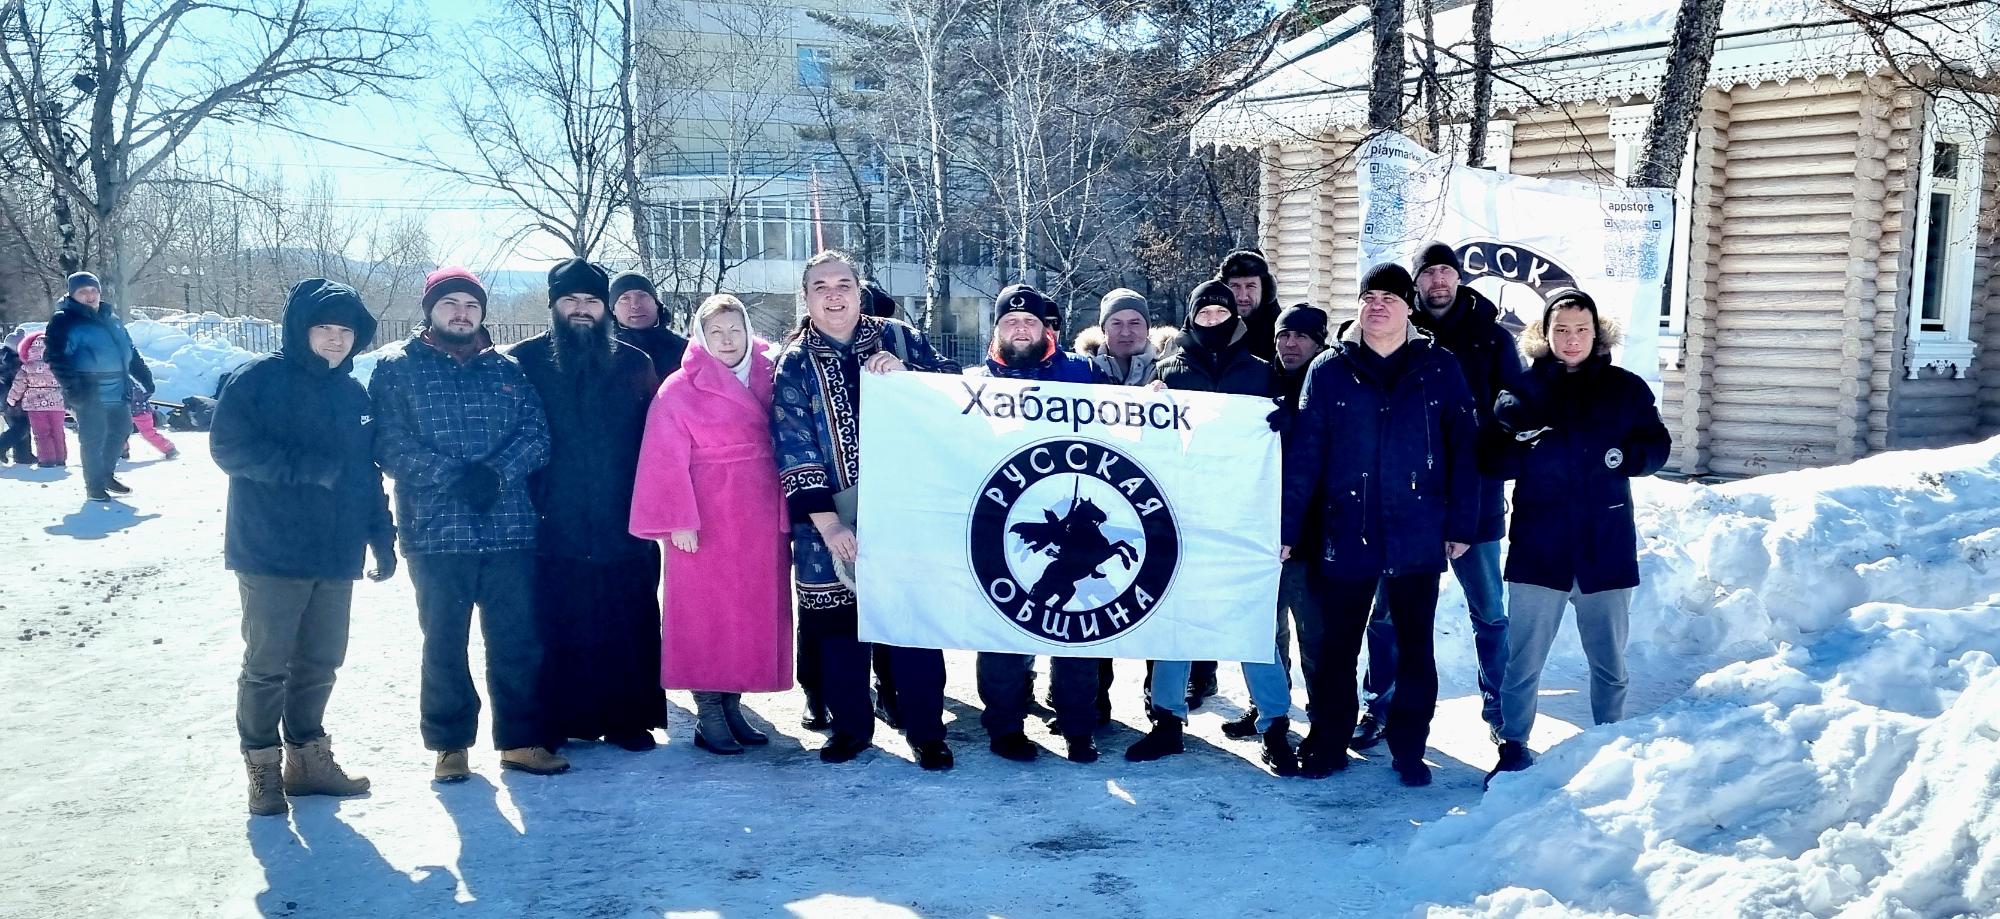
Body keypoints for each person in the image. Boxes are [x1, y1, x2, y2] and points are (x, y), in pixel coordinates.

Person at [1282, 263, 1480, 786]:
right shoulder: (1329, 370)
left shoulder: (1440, 367)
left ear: (1409, 306)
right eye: (1369, 297)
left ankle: (1409, 746)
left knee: (1414, 647)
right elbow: (1306, 456)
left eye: (1389, 297)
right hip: (1346, 529)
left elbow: (1465, 448)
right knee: (1336, 647)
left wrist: (1462, 522)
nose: (1377, 306)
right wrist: (1288, 529)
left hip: (1417, 527)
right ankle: (1328, 741)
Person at [370, 266, 565, 781]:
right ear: (430, 310)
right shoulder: (396, 368)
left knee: (516, 639)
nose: (462, 313)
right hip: (436, 530)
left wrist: (496, 473)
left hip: (509, 528)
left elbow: (537, 435)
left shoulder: (506, 370)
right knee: (443, 641)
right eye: (451, 303)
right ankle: (450, 745)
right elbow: (388, 442)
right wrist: (452, 477)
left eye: (472, 306)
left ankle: (521, 740)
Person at [210, 279, 394, 816]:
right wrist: (307, 470)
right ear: (301, 328)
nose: (337, 340)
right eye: (325, 329)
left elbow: (365, 473)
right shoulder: (258, 382)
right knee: (268, 663)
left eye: (346, 331)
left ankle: (308, 761)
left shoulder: (353, 394)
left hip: (335, 551)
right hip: (270, 548)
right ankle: (263, 768)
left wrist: (381, 535)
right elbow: (229, 447)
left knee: (320, 661)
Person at [772, 249, 957, 770]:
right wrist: (829, 524)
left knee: (911, 625)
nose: (833, 295)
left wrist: (909, 376)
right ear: (806, 299)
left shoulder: (900, 338)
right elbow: (792, 442)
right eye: (820, 287)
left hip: (906, 513)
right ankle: (851, 728)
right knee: (837, 630)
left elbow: (952, 392)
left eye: (843, 284)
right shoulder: (795, 361)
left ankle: (927, 731)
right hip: (827, 518)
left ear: (858, 288)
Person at [1485, 289, 1671, 782]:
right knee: (1522, 662)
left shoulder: (1626, 390)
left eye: (1581, 329)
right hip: (1538, 549)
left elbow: (1656, 444)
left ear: (1598, 333)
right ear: (1544, 336)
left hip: (1603, 545)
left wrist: (1631, 459)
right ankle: (1513, 745)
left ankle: (1609, 741)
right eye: (1561, 329)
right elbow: (1491, 458)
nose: (1571, 339)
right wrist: (1516, 441)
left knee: (1609, 661)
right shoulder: (1521, 393)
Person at [1127, 280, 1299, 776]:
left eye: (1220, 312)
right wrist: (1147, 403)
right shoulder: (1168, 371)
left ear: (1235, 318)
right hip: (1181, 515)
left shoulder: (1262, 375)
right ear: (1190, 318)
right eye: (1202, 313)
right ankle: (1166, 720)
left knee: (1252, 622)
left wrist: (1285, 419)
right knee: (1173, 619)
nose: (1212, 320)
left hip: (1245, 519)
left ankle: (1274, 724)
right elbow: (1141, 441)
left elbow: (1292, 452)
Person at [1357, 242, 1525, 750]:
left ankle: (1501, 710)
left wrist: (1499, 431)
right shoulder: (1397, 336)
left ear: (1458, 279)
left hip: (1474, 493)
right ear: (1416, 287)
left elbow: (1515, 399)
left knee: (1489, 609)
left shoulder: (1490, 338)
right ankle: (1377, 705)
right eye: (1428, 273)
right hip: (1407, 499)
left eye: (1446, 272)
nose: (1437, 281)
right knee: (1385, 614)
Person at [510, 259, 667, 752]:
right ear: (554, 305)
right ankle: (561, 718)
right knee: (559, 618)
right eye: (571, 300)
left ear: (605, 309)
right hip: (551, 518)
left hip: (624, 516)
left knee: (624, 617)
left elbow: (657, 441)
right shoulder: (523, 362)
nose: (582, 309)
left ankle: (627, 718)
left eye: (591, 301)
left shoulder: (634, 364)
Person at [631, 294, 793, 756]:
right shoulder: (679, 389)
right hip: (706, 518)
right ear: (701, 336)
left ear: (747, 329)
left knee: (748, 613)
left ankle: (732, 704)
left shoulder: (772, 373)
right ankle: (707, 709)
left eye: (734, 329)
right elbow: (663, 459)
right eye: (716, 332)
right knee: (705, 614)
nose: (726, 340)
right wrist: (676, 518)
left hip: (761, 515)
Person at [965, 284, 1107, 765]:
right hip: (1005, 523)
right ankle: (1005, 727)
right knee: (1003, 628)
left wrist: (1151, 403)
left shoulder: (1082, 374)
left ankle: (1077, 726)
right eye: (1010, 322)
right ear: (998, 329)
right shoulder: (972, 384)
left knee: (1075, 631)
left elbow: (1128, 428)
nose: (1020, 329)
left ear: (1046, 328)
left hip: (1071, 514)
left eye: (1029, 322)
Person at [1223, 304, 1329, 741]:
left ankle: (1325, 715)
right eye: (1285, 335)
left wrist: (1298, 424)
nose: (1290, 344)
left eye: (1301, 336)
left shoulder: (1331, 381)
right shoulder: (1264, 380)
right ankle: (1269, 704)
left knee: (1314, 632)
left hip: (1312, 532)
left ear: (1318, 342)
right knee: (1266, 627)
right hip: (1261, 527)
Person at [43, 272, 152, 500]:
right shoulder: (64, 319)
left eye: (93, 290)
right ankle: (94, 487)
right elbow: (55, 357)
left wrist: (144, 375)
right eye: (83, 292)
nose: (90, 296)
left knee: (122, 429)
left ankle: (105, 475)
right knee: (93, 438)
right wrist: (73, 389)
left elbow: (129, 350)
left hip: (118, 388)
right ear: (73, 294)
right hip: (88, 389)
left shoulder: (110, 317)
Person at [610, 270, 689, 379]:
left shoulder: (685, 350)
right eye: (625, 298)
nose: (635, 305)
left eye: (642, 295)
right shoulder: (602, 354)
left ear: (656, 304)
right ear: (613, 310)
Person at [1074, 288, 1158, 387]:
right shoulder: (1080, 368)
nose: (1125, 332)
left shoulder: (1171, 369)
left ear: (1147, 329)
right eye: (1116, 324)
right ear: (1103, 330)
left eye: (1134, 323)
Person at [6, 331, 66, 468]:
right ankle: (60, 458)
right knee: (58, 431)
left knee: (42, 433)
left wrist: (12, 399)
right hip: (58, 404)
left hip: (35, 406)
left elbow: (19, 385)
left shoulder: (27, 367)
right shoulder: (57, 365)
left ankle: (47, 460)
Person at [1215, 249, 1283, 363]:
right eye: (1235, 286)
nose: (1242, 296)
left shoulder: (1282, 333)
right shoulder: (1208, 324)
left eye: (1250, 286)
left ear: (1265, 289)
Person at [0, 329, 35, 464]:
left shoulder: (4, 357)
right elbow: (21, 379)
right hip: (14, 399)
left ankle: (23, 455)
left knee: (18, 426)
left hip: (4, 399)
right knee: (22, 426)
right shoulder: (14, 361)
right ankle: (3, 446)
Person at [126, 376, 178, 460]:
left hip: (140, 411)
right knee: (117, 432)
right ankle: (121, 451)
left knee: (148, 433)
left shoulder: (123, 383)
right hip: (126, 411)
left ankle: (169, 448)